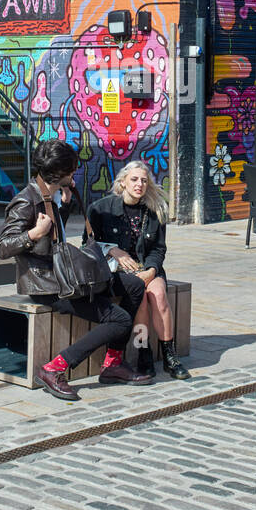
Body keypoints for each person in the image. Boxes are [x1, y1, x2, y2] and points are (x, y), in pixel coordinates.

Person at [0, 140, 151, 401]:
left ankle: (112, 365)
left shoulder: (52, 194)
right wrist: (34, 233)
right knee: (120, 319)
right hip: (47, 285)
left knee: (135, 285)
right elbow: (3, 247)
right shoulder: (26, 201)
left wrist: (65, 205)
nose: (75, 173)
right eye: (72, 169)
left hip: (65, 275)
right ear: (60, 173)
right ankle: (53, 368)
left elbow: (55, 237)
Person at [87, 161, 189, 380]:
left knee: (159, 295)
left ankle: (170, 356)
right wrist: (112, 249)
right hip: (119, 271)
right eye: (134, 179)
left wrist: (151, 271)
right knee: (140, 299)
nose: (139, 184)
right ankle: (144, 352)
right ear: (123, 182)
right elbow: (88, 244)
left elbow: (159, 248)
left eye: (144, 180)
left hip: (147, 267)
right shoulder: (101, 208)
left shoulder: (155, 209)